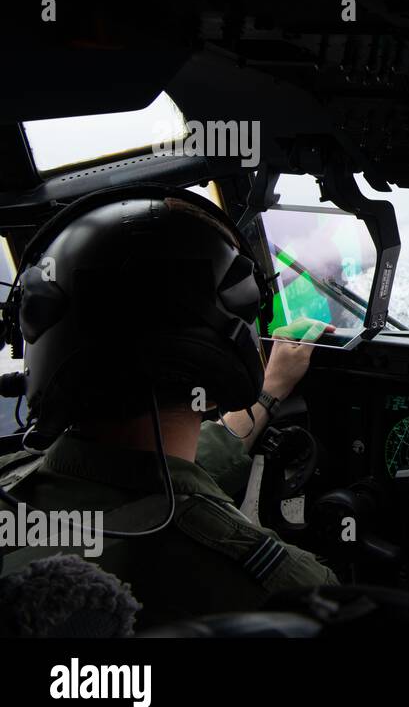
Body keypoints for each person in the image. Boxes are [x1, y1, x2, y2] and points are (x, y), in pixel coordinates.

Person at [0, 185, 338, 629]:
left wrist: (270, 390)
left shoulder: (12, 474)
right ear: (229, 361)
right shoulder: (283, 589)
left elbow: (155, 469)